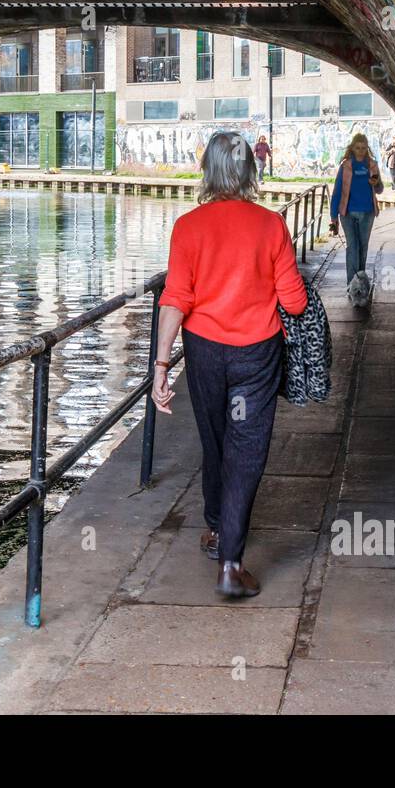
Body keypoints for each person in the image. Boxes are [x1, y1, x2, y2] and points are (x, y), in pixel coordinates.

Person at [151, 132, 307, 598]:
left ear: (209, 172)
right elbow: (294, 303)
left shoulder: (188, 227)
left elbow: (175, 299)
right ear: (249, 172)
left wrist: (161, 365)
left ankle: (217, 527)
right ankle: (231, 563)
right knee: (246, 448)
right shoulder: (271, 225)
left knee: (216, 438)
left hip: (203, 351)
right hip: (256, 353)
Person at [329, 133, 383, 289]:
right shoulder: (346, 166)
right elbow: (337, 192)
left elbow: (379, 190)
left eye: (363, 148)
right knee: (353, 247)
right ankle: (351, 285)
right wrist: (333, 217)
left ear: (367, 149)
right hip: (348, 213)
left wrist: (376, 182)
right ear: (352, 148)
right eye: (357, 148)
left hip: (368, 212)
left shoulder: (372, 165)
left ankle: (361, 281)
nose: (360, 151)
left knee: (363, 247)